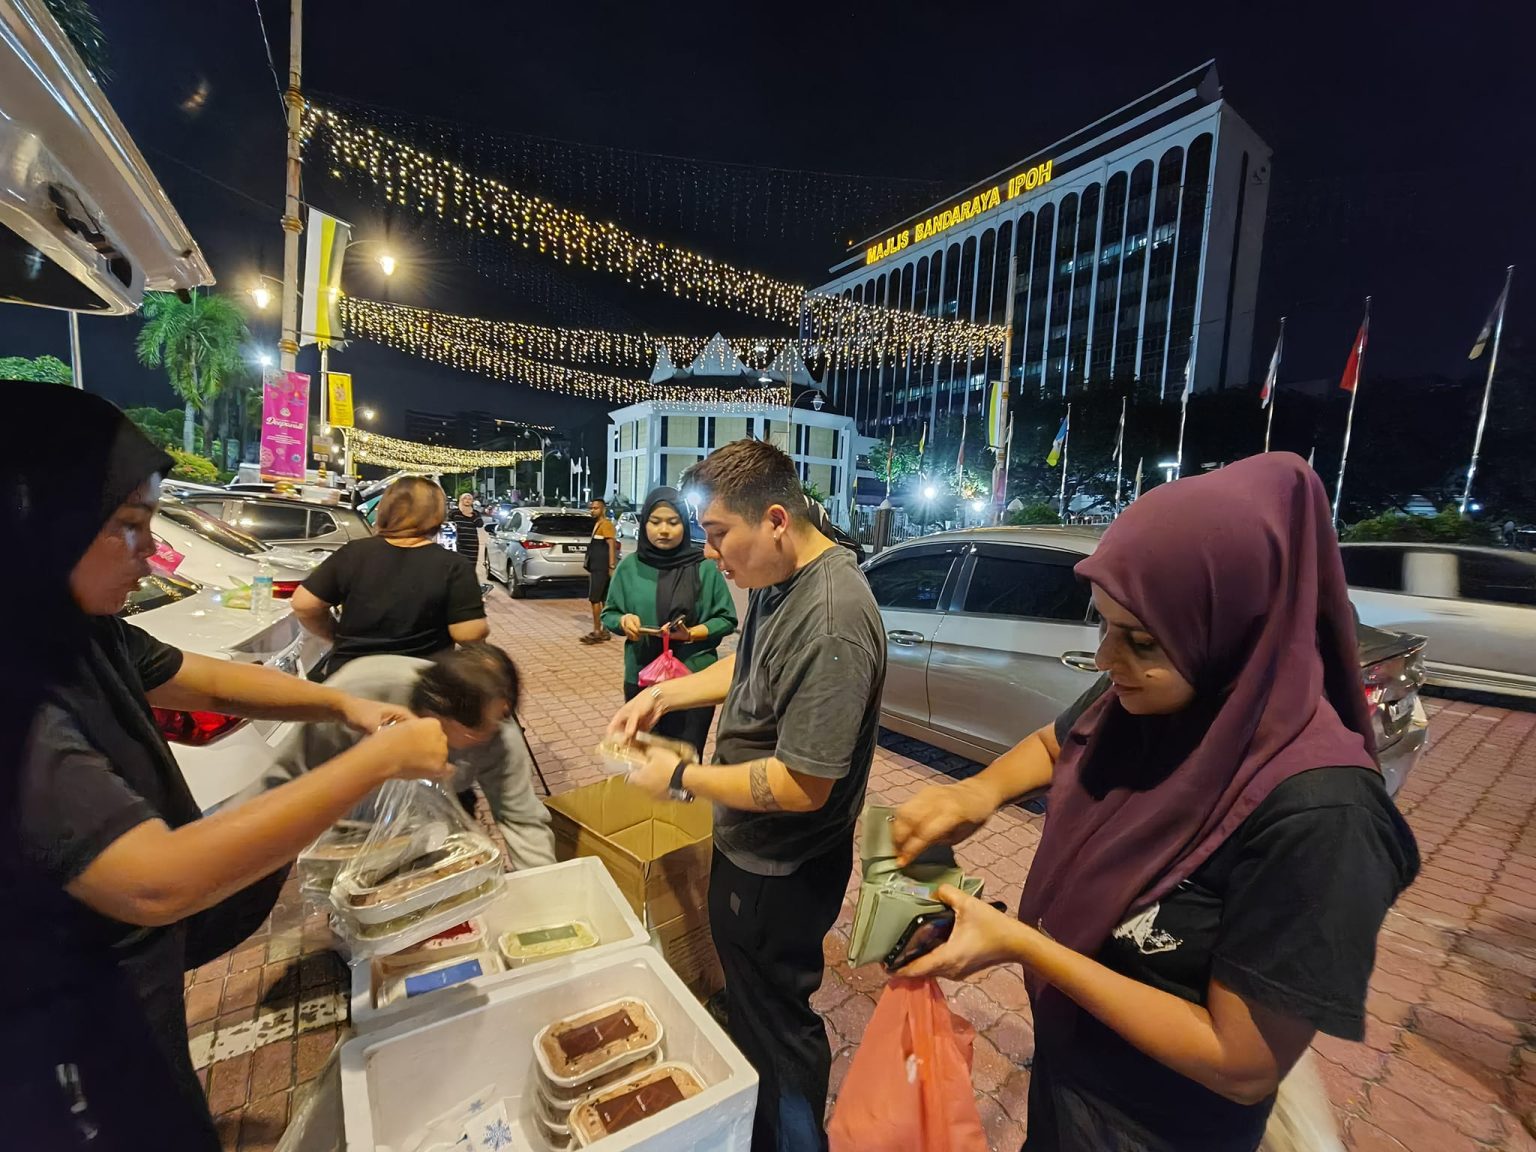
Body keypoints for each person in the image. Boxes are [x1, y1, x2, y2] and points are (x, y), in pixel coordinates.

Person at [891, 453, 1420, 1152]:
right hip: (1070, 1080)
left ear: (1233, 627)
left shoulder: (1324, 814)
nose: (1107, 660)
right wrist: (977, 791)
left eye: (1140, 641)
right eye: (1104, 625)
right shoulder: (1156, 690)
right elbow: (1058, 743)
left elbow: (1240, 1064)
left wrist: (1025, 945)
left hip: (1156, 1125)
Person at [9, 386, 454, 1149]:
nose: (153, 553)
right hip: (58, 1033)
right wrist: (374, 762)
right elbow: (154, 881)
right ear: (36, 517)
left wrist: (341, 706)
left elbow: (205, 680)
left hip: (126, 985)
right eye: (128, 526)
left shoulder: (78, 626)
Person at [609, 440, 886, 1152]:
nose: (709, 554)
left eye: (717, 534)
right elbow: (749, 666)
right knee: (755, 1012)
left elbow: (801, 784)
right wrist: (664, 695)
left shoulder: (831, 618)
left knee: (778, 1030)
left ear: (775, 520)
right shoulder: (780, 575)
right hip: (751, 848)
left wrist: (679, 776)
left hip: (781, 866)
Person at [251, 643, 556, 870]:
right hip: (353, 821)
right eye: (472, 733)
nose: (486, 737)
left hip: (441, 817)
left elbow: (522, 819)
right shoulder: (359, 692)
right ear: (436, 713)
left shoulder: (500, 734)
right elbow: (288, 777)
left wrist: (548, 895)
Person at [293, 475, 489, 679]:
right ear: (437, 515)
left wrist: (336, 636)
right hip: (424, 682)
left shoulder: (353, 553)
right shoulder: (454, 565)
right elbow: (469, 633)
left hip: (351, 679)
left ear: (385, 510)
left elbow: (304, 604)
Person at [601, 486, 737, 754]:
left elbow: (726, 618)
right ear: (644, 524)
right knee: (645, 753)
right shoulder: (630, 567)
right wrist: (624, 621)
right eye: (655, 522)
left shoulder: (703, 567)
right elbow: (609, 614)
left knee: (686, 754)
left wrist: (691, 633)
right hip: (642, 676)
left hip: (694, 679)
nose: (663, 530)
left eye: (673, 522)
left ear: (685, 525)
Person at [580, 496, 619, 643]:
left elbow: (611, 545)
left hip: (601, 568)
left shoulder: (606, 524)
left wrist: (611, 565)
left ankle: (597, 631)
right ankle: (604, 631)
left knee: (595, 599)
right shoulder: (598, 524)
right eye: (591, 508)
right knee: (603, 599)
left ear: (603, 509)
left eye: (595, 508)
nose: (592, 510)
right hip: (597, 567)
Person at [449, 490, 486, 579]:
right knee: (458, 565)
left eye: (469, 499)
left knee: (470, 566)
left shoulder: (475, 513)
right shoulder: (454, 513)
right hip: (458, 543)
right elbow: (448, 524)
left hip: (472, 544)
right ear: (461, 500)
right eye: (465, 498)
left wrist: (472, 515)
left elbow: (480, 524)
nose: (467, 500)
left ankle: (469, 583)